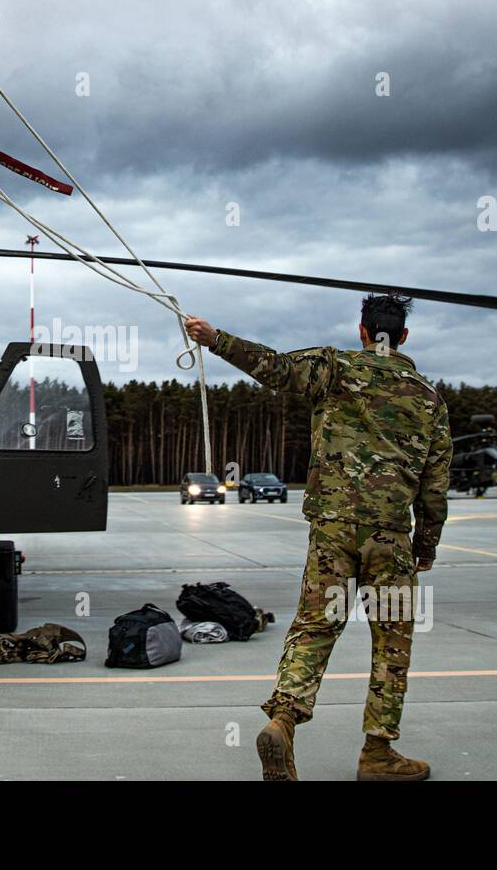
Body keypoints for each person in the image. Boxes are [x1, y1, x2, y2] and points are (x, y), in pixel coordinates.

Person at [185, 293, 451, 781]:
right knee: (391, 644)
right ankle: (378, 754)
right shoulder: (428, 397)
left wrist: (213, 338)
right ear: (404, 336)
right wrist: (426, 545)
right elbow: (434, 486)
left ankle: (283, 722)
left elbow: (275, 367)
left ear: (363, 331)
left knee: (314, 628)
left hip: (331, 530)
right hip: (391, 536)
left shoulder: (335, 367)